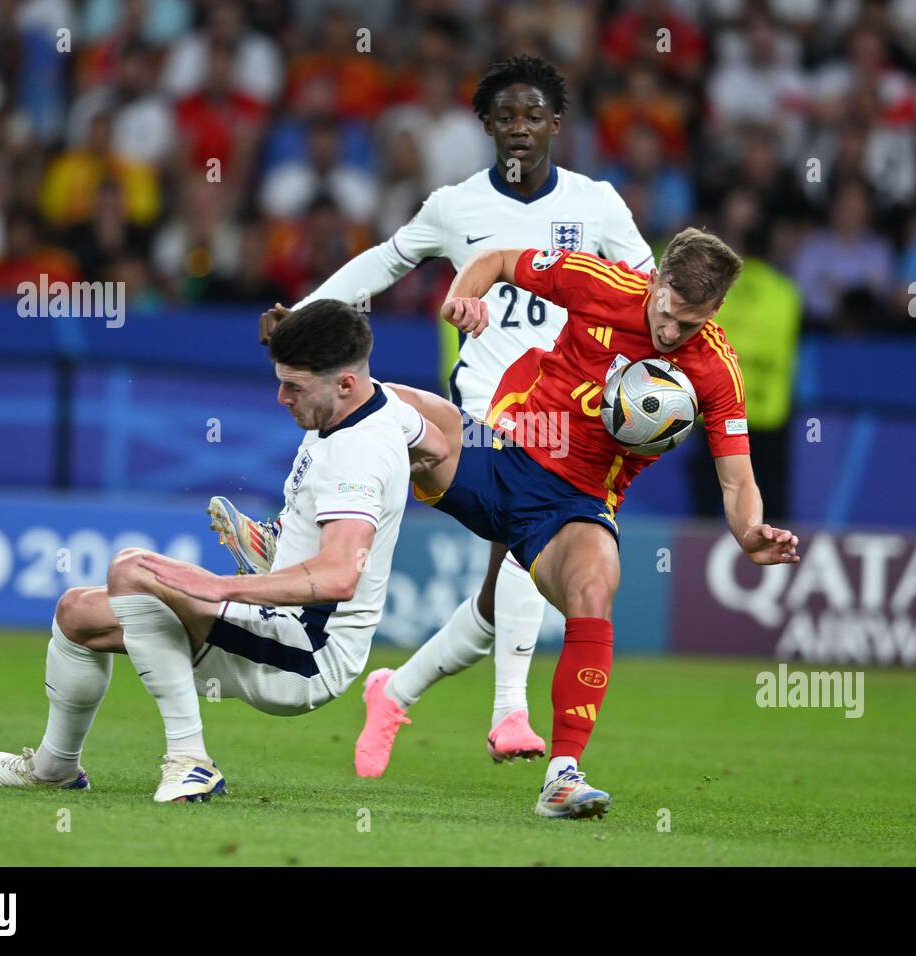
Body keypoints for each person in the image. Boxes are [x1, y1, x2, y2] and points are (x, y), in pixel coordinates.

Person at [212, 55, 653, 771]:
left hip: (572, 413)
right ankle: (510, 710)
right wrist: (306, 312)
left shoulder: (597, 204)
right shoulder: (455, 207)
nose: (519, 129)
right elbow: (386, 262)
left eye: (533, 116)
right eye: (505, 116)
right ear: (485, 126)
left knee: (495, 594)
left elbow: (646, 291)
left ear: (556, 126)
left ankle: (395, 689)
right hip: (489, 405)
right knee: (518, 516)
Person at [377, 229, 800, 818]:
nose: (671, 332)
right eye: (668, 312)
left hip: (574, 505)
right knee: (382, 407)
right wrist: (465, 297)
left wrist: (750, 532)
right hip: (505, 443)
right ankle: (289, 534)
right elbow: (499, 260)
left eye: (691, 323)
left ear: (717, 310)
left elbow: (737, 481)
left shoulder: (714, 369)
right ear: (654, 280)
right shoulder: (601, 283)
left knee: (594, 590)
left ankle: (561, 776)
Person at [0, 301, 448, 802]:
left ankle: (191, 761)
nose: (280, 397)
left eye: (294, 386)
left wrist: (220, 587)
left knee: (132, 570)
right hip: (284, 622)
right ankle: (54, 767)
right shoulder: (383, 408)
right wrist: (286, 547)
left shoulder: (358, 451)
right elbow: (436, 445)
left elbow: (339, 576)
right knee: (77, 613)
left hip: (307, 653)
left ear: (345, 384)